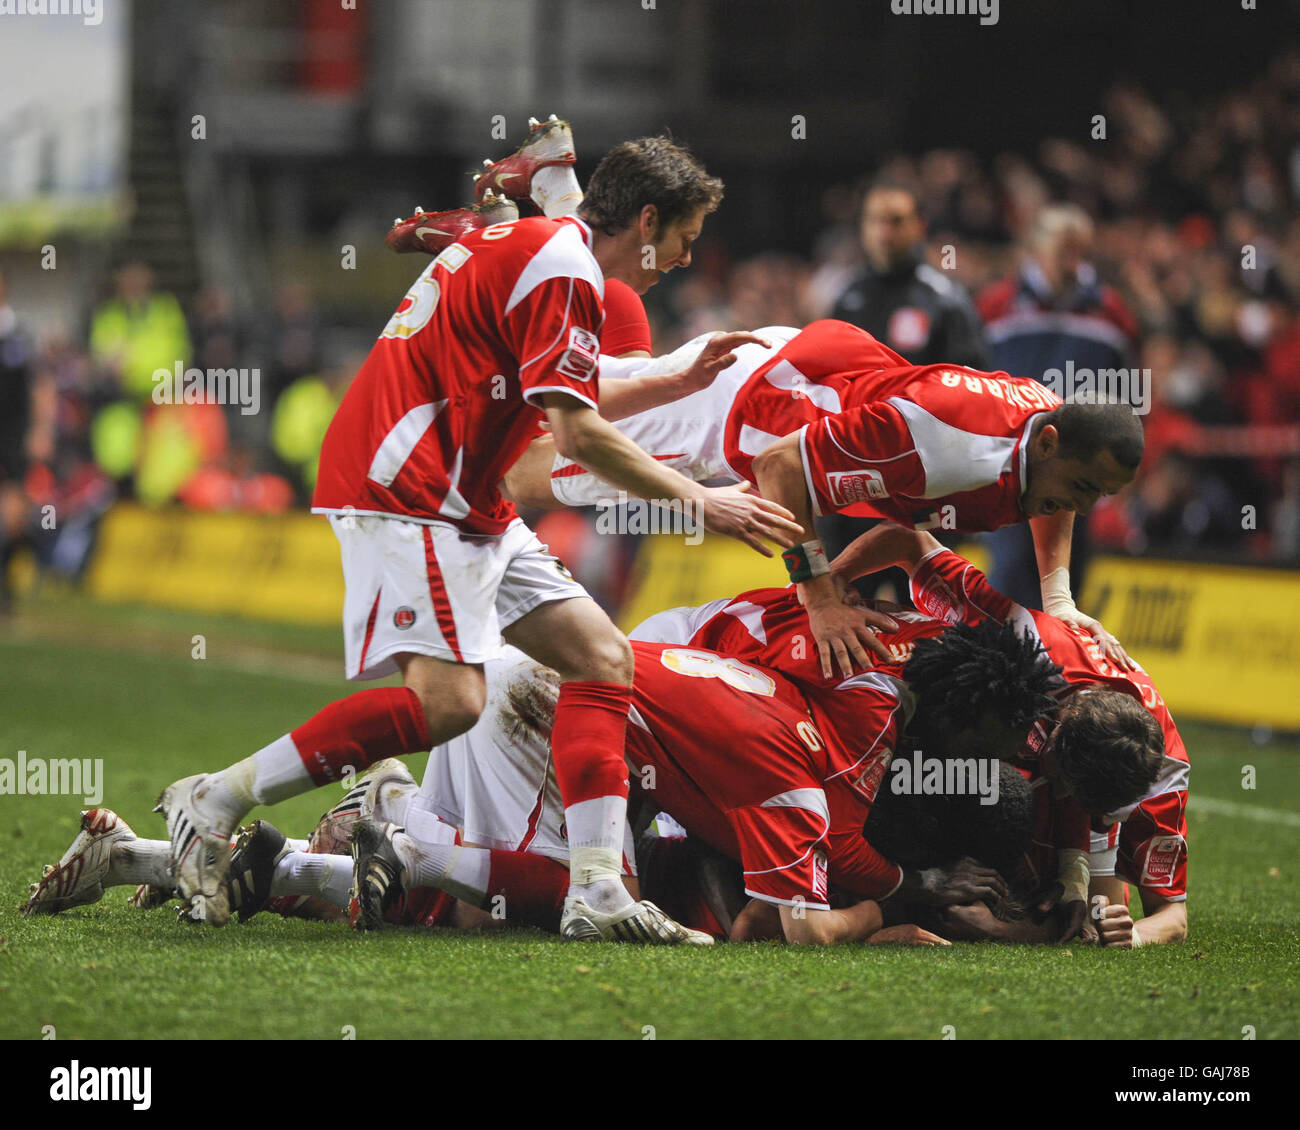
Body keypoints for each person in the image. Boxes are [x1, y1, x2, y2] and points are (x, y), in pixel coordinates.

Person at [154, 129, 800, 943]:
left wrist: (678, 376)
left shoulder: (545, 248)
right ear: (645, 219)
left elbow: (563, 389)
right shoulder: (564, 266)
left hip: (467, 491)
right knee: (451, 704)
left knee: (601, 656)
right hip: (411, 483)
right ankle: (214, 798)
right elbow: (578, 435)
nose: (681, 260)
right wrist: (706, 504)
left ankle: (596, 889)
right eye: (683, 240)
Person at [977, 204, 1140, 610]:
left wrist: (1121, 482)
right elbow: (972, 384)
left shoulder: (1111, 312)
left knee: (1067, 589)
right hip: (1009, 469)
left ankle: (1055, 670)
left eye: (1078, 251)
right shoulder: (996, 306)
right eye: (1062, 249)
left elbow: (1131, 398)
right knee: (1010, 581)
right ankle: (1008, 669)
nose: (1071, 260)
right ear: (1036, 247)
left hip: (1082, 474)